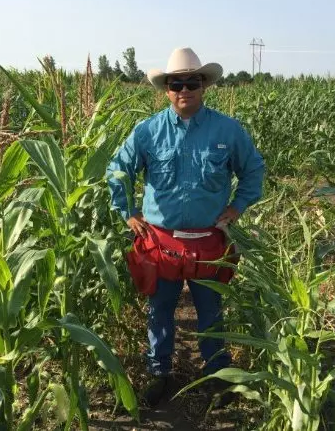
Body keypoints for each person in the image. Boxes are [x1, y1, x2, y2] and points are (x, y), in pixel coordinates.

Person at [106, 47, 264, 408]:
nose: (184, 89)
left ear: (203, 85)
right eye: (176, 83)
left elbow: (253, 169)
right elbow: (118, 169)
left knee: (210, 311)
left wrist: (237, 207)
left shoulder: (227, 130)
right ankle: (160, 373)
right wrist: (127, 211)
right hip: (160, 241)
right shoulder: (148, 131)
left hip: (209, 240)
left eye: (191, 82)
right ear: (166, 89)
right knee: (160, 311)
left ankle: (216, 375)